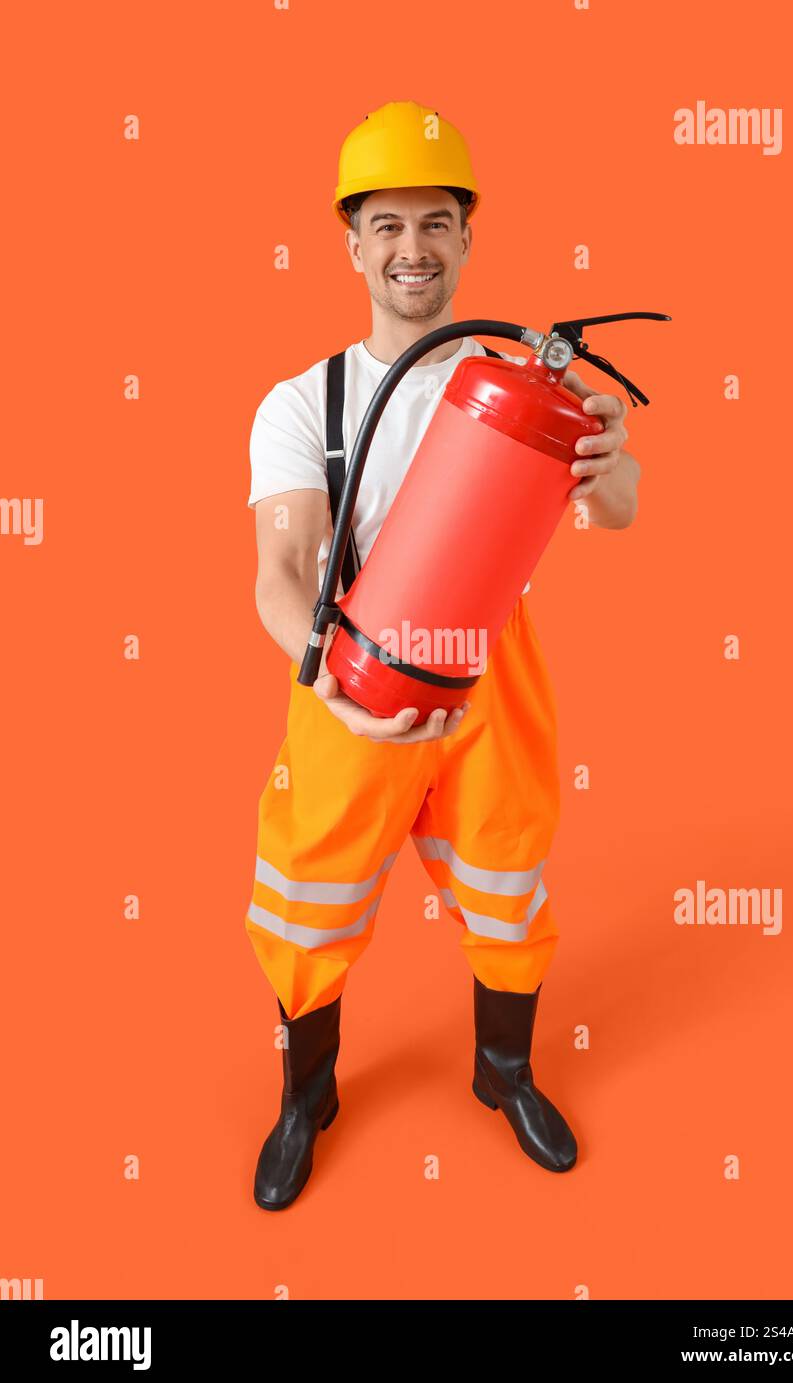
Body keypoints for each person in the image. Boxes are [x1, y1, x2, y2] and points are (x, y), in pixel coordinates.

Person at [244, 100, 639, 1211]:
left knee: (508, 876)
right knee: (308, 894)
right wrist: (326, 677)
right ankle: (304, 1094)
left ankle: (502, 1070)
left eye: (434, 223)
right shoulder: (298, 404)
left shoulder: (528, 383)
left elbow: (619, 507)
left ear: (467, 239)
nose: (410, 249)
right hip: (350, 668)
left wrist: (608, 465)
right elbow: (280, 572)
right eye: (385, 226)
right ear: (351, 243)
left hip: (492, 666)